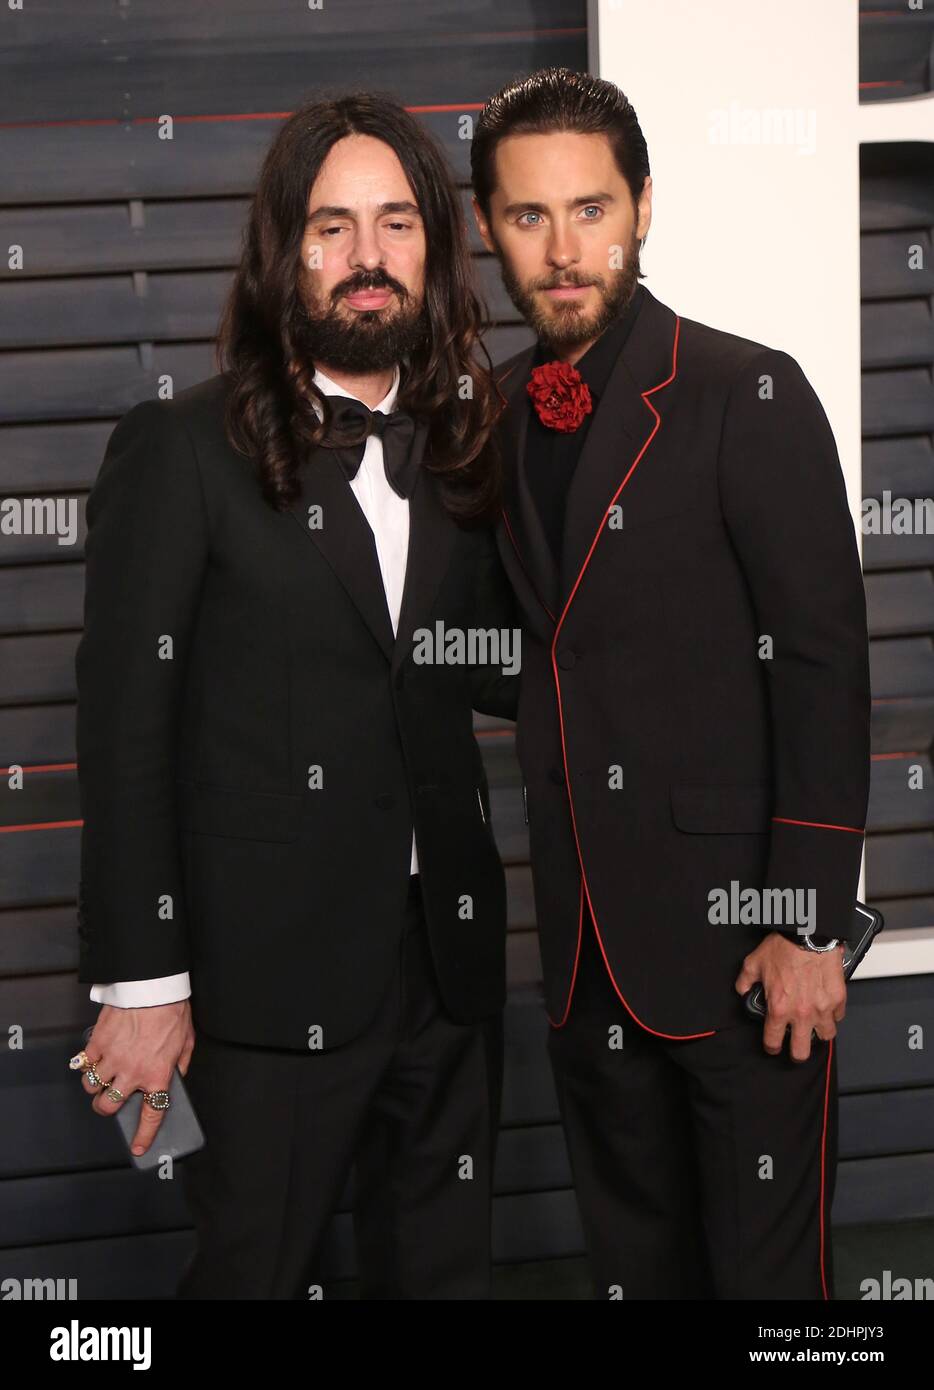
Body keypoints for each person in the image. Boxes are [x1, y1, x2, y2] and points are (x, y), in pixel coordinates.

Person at [73, 92, 519, 1300]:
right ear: (282, 251)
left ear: (434, 246)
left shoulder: (470, 451)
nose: (366, 258)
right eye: (331, 227)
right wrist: (143, 984)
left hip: (449, 970)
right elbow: (124, 735)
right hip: (263, 988)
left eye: (394, 224)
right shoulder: (179, 450)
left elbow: (502, 668)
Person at [471, 67, 870, 1299]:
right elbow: (532, 655)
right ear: (489, 228)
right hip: (584, 946)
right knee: (635, 1277)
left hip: (749, 951)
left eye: (588, 210)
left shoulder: (746, 391)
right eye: (528, 217)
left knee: (766, 1292)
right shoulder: (486, 415)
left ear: (643, 206)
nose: (562, 248)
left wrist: (807, 921)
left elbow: (822, 664)